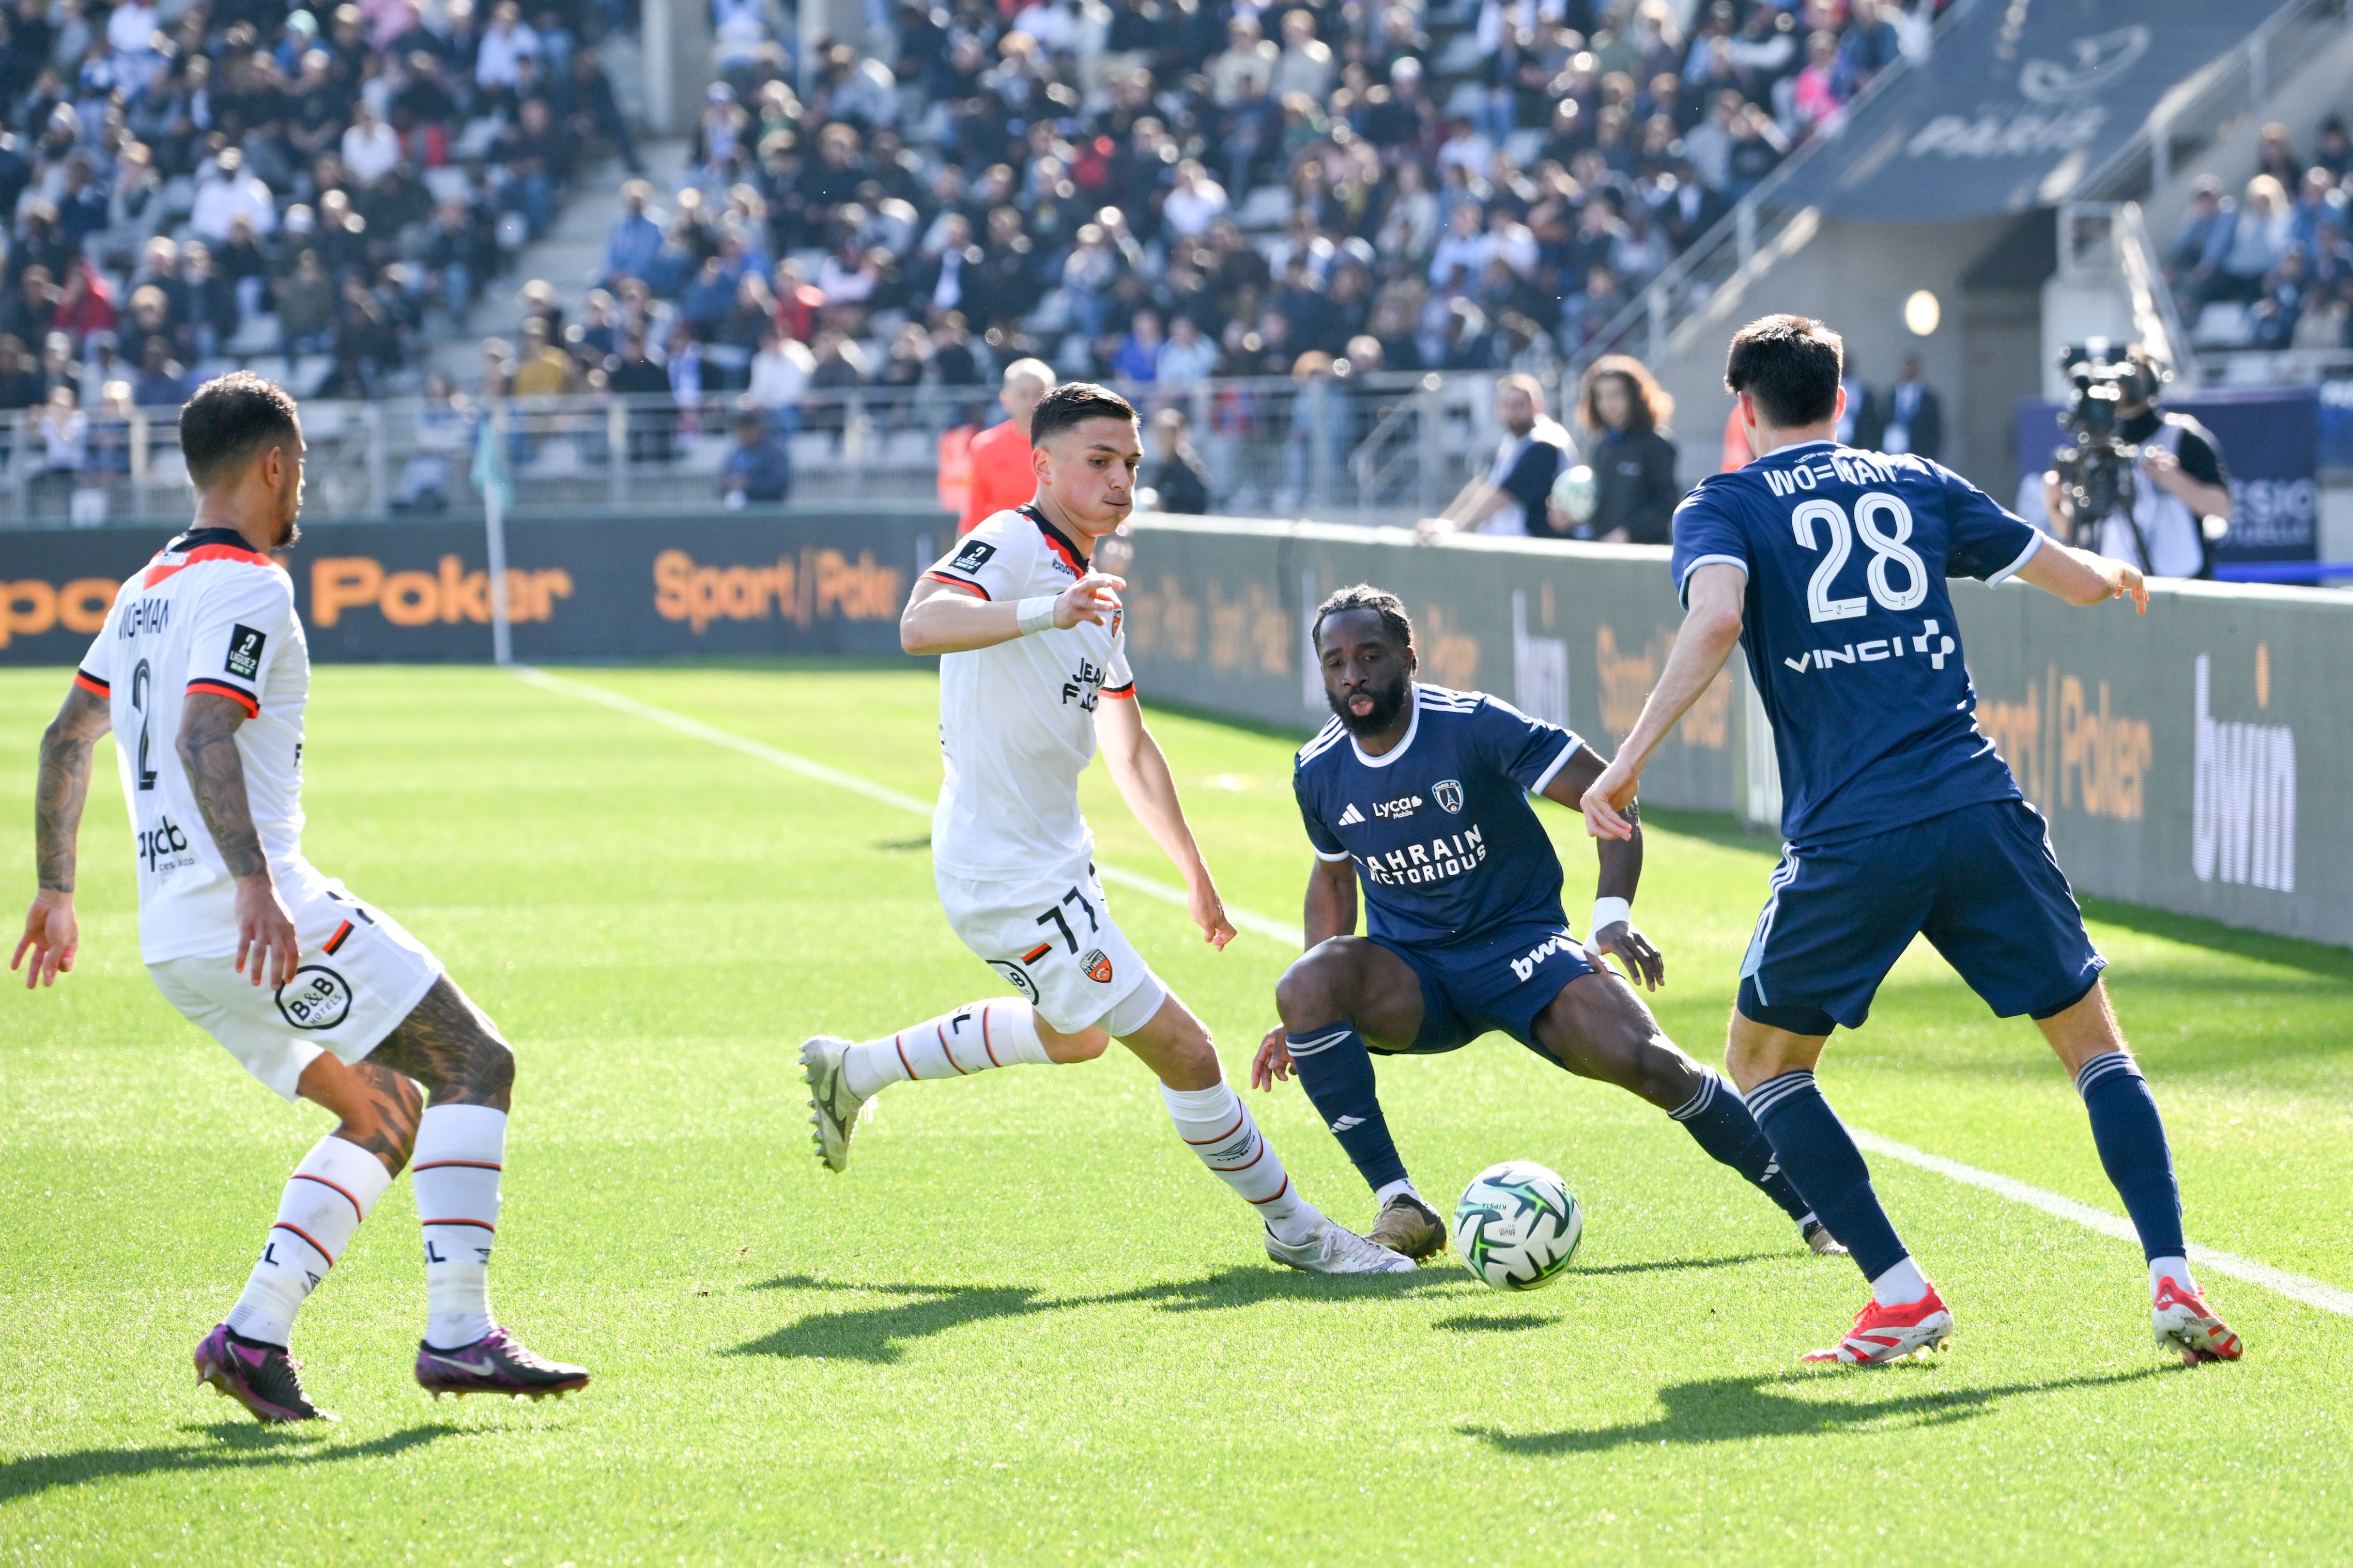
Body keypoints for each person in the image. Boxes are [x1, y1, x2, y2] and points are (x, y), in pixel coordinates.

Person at [1582, 314, 2242, 1368]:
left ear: (1743, 409)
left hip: (1853, 829)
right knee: (2093, 1044)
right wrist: (2108, 574)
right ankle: (2170, 1275)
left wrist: (1625, 760)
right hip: (1976, 805)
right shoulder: (1914, 480)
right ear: (1838, 398)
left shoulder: (1724, 502)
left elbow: (1712, 623)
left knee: (1760, 1062)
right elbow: (2068, 575)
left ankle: (1897, 1289)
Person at [12, 373, 589, 1422]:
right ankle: (459, 1333)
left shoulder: (143, 586)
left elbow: (65, 737)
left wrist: (56, 887)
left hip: (171, 935)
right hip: (256, 912)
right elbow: (201, 732)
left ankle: (252, 1336)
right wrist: (254, 886)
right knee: (477, 1060)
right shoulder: (250, 584)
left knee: (387, 1106)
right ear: (273, 463)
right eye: (302, 468)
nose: (302, 490)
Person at [799, 383, 1410, 1278]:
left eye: (1129, 464)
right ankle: (1299, 1231)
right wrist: (1049, 609)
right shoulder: (1012, 542)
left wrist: (1193, 872)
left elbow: (1128, 747)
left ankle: (850, 1071)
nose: (1121, 479)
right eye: (1099, 461)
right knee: (1188, 1052)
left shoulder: (1099, 596)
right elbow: (918, 623)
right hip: (1006, 874)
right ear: (1042, 465)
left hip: (1054, 861)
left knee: (1074, 1036)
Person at [1247, 586, 1840, 1260]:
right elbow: (1332, 877)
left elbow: (1609, 789)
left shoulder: (1472, 726)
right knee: (1304, 982)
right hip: (1411, 975)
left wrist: (1611, 914)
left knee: (1649, 1062)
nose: (1352, 674)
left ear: (1408, 657)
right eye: (1335, 662)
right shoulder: (1318, 768)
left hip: (1520, 949)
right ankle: (1401, 1203)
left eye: (1370, 655)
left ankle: (1817, 1210)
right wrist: (1309, 1015)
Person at [2040, 346, 2230, 581]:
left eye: (2132, 373)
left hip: (2182, 581)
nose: (2120, 385)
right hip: (2117, 586)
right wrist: (2055, 505)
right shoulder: (2092, 447)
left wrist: (2176, 481)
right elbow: (2078, 533)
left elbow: (2222, 509)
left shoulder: (2184, 438)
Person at [1421, 374, 1570, 537]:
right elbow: (1484, 485)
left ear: (1536, 407)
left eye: (1520, 405)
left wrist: (1457, 528)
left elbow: (1503, 495)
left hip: (1544, 546)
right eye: (1508, 405)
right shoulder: (1514, 441)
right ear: (1498, 409)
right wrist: (1444, 522)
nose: (1514, 411)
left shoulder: (1544, 443)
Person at [1571, 355, 1680, 544]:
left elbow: (1667, 504)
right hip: (1604, 553)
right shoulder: (1601, 445)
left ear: (1635, 397)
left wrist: (1628, 532)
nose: (1608, 404)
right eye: (1600, 397)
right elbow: (1598, 503)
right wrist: (1571, 515)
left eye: (1616, 395)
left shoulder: (1656, 444)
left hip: (1642, 558)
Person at [956, 358, 1056, 536]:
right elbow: (973, 517)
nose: (1031, 403)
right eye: (1023, 395)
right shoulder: (985, 447)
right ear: (1005, 399)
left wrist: (1119, 538)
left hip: (1065, 558)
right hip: (1009, 555)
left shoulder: (1074, 445)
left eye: (1038, 394)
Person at [1142, 405, 1212, 514]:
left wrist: (1165, 507)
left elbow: (1196, 507)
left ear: (1178, 434)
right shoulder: (1166, 465)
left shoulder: (1189, 468)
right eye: (1157, 432)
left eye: (1165, 432)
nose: (1160, 438)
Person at [718, 408, 792, 505]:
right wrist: (727, 484)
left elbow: (780, 483)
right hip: (737, 511)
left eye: (748, 430)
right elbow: (720, 480)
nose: (744, 434)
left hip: (767, 510)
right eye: (741, 430)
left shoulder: (774, 452)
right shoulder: (736, 454)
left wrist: (749, 484)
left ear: (757, 430)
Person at [1878, 354, 1941, 461]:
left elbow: (1935, 429)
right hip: (1892, 446)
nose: (1908, 371)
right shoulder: (1891, 395)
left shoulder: (1929, 399)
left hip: (1919, 449)